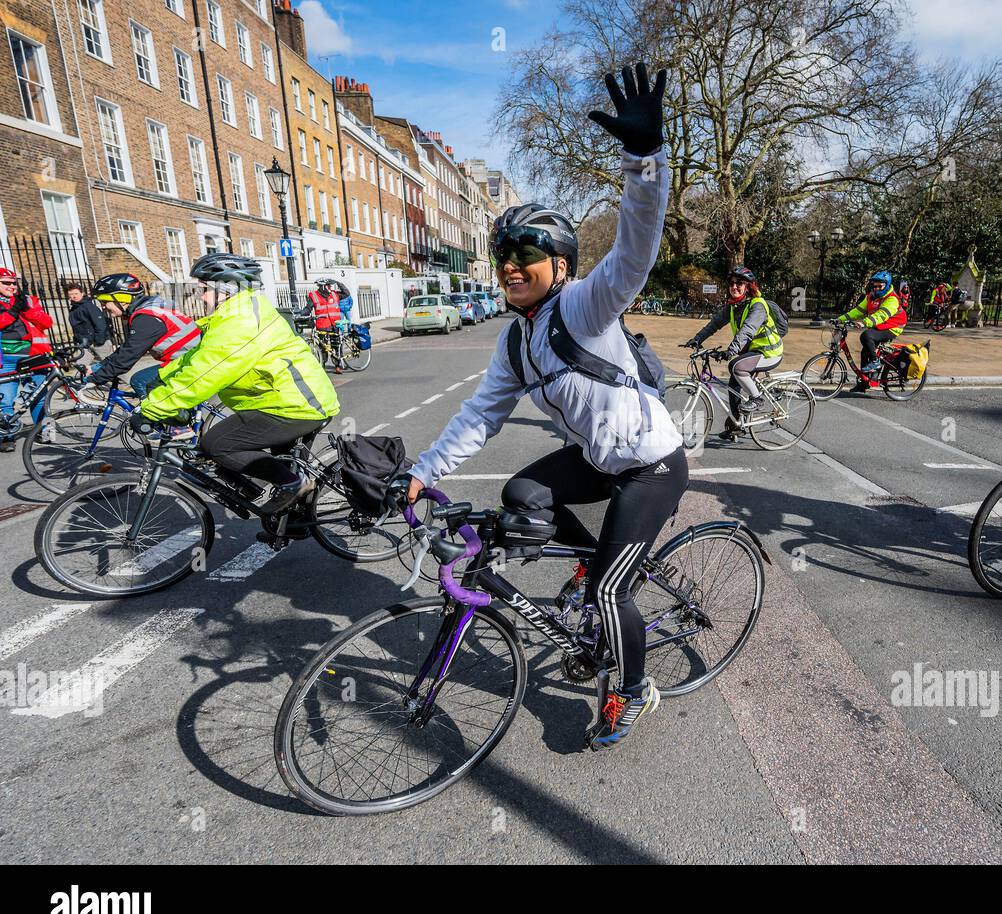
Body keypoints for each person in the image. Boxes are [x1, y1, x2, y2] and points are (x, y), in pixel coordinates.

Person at [405, 62, 681, 751]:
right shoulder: (515, 339)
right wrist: (425, 469)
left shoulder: (584, 305)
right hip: (598, 458)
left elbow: (635, 248)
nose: (510, 264)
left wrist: (643, 161)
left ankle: (631, 687)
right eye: (503, 252)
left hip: (649, 464)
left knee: (611, 597)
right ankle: (601, 558)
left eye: (528, 252)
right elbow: (480, 414)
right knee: (521, 491)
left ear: (559, 264)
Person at [133, 253, 339, 516]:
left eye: (204, 289)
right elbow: (197, 358)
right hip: (281, 399)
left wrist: (154, 408)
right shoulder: (236, 312)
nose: (201, 296)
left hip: (296, 405)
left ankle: (293, 484)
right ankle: (291, 523)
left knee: (217, 444)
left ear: (226, 290)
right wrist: (162, 377)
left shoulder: (240, 319)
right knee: (274, 465)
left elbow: (209, 372)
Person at [685, 265, 784, 441]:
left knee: (736, 367)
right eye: (731, 283)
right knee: (733, 384)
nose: (734, 287)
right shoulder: (732, 307)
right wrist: (697, 339)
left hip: (770, 352)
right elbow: (714, 324)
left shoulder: (757, 305)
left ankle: (757, 398)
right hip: (753, 352)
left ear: (748, 287)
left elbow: (747, 330)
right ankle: (737, 425)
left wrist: (731, 351)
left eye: (739, 283)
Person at [84, 273, 200, 398]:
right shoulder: (148, 309)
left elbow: (128, 357)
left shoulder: (146, 318)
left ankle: (170, 416)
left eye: (105, 301)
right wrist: (99, 367)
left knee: (140, 381)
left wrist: (96, 379)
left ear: (122, 300)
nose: (102, 306)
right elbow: (127, 349)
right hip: (188, 357)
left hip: (191, 361)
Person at [0, 266, 54, 451]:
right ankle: (6, 436)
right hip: (6, 358)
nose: (12, 286)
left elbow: (47, 322)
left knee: (40, 396)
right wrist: (13, 311)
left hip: (35, 356)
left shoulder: (28, 300)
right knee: (5, 399)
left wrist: (27, 310)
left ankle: (46, 431)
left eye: (14, 282)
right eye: (6, 283)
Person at [838, 269, 907, 391]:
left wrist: (865, 322)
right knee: (864, 352)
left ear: (887, 285)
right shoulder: (870, 296)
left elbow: (881, 315)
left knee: (866, 336)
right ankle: (864, 383)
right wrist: (840, 319)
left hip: (893, 327)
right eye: (874, 286)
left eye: (880, 286)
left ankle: (875, 361)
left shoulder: (892, 299)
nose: (876, 289)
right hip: (880, 325)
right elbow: (858, 311)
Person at [302, 277, 344, 374]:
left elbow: (346, 293)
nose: (330, 287)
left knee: (336, 345)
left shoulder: (334, 294)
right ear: (323, 286)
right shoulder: (314, 296)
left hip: (335, 323)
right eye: (328, 285)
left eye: (330, 285)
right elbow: (308, 308)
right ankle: (323, 365)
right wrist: (301, 313)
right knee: (323, 347)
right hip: (322, 324)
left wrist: (338, 282)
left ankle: (338, 366)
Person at [66, 281, 110, 352]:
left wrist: (99, 341)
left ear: (82, 293)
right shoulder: (73, 310)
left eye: (76, 293)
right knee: (79, 363)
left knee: (110, 362)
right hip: (84, 343)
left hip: (98, 343)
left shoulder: (89, 306)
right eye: (71, 294)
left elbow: (100, 324)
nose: (74, 296)